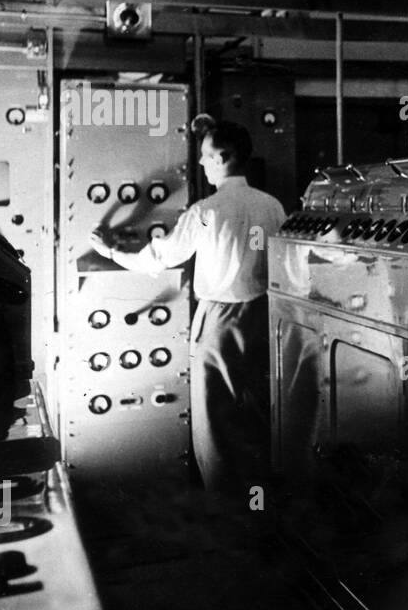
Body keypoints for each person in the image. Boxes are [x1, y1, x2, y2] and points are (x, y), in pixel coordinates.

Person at [90, 119, 286, 494]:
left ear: (224, 157)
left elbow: (159, 258)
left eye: (206, 156)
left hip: (220, 320)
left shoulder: (206, 211)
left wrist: (110, 250)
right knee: (258, 412)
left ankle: (227, 512)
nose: (200, 163)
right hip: (264, 316)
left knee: (215, 421)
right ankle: (260, 505)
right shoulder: (272, 206)